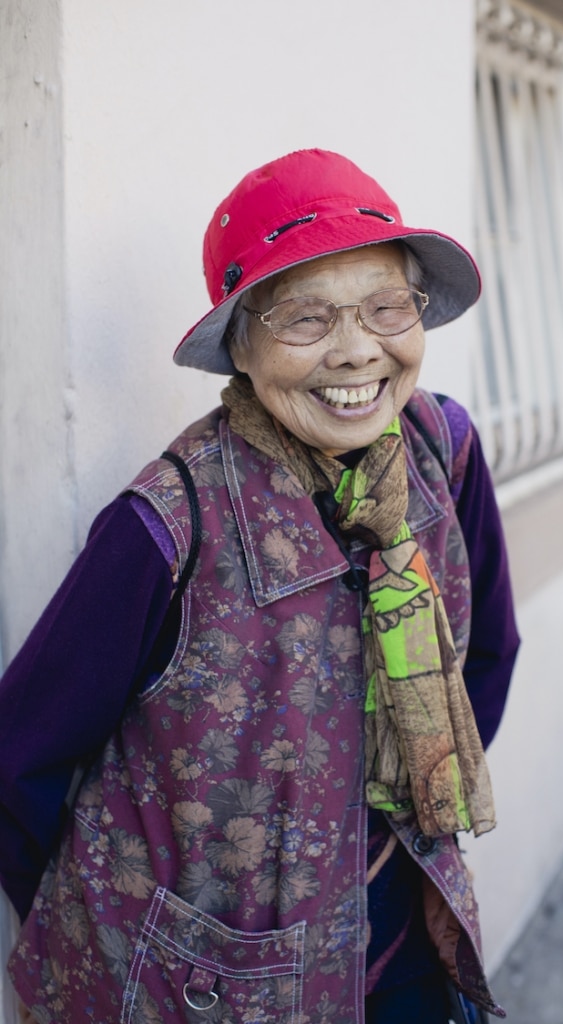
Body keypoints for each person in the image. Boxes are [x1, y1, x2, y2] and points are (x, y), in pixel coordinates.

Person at [0, 148, 519, 1024]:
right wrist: (124, 929)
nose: (358, 351)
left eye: (387, 307)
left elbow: (489, 656)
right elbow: (21, 761)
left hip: (410, 941)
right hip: (220, 989)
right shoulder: (169, 523)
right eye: (304, 319)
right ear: (240, 344)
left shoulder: (443, 452)